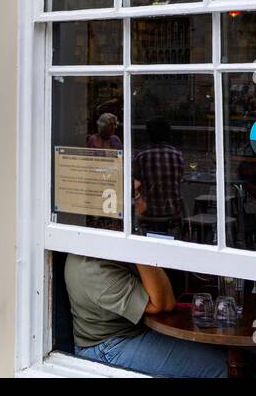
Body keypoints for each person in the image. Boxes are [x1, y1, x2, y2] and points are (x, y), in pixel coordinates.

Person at [65, 178, 227, 377]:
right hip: (107, 347)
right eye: (135, 193)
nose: (138, 183)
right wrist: (135, 239)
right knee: (219, 367)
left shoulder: (107, 239)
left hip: (131, 331)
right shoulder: (94, 268)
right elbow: (163, 304)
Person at [133, 118, 184, 235]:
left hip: (148, 212)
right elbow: (180, 179)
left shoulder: (141, 157)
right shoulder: (178, 156)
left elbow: (135, 184)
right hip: (172, 211)